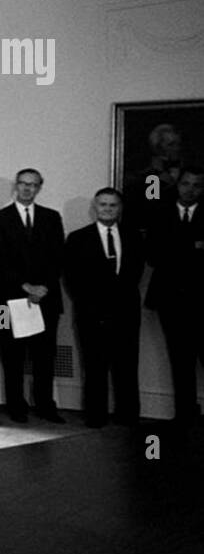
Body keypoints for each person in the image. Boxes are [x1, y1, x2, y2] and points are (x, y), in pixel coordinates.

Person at [0, 168, 66, 423]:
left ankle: (45, 405)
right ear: (15, 186)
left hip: (46, 298)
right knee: (11, 355)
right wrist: (25, 286)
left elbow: (58, 257)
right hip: (6, 301)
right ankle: (16, 406)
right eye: (23, 184)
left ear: (40, 187)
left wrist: (42, 287)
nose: (27, 189)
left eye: (33, 185)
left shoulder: (51, 217)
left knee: (44, 356)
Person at [63, 188, 145, 427]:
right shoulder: (78, 238)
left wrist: (117, 305)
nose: (108, 209)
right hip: (91, 315)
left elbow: (135, 274)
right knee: (95, 369)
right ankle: (95, 418)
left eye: (113, 205)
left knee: (127, 369)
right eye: (103, 205)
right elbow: (72, 279)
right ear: (95, 208)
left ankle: (128, 417)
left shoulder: (133, 236)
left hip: (126, 314)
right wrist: (95, 307)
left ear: (120, 209)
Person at [144, 167, 204, 427]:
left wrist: (176, 247)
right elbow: (153, 256)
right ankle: (185, 413)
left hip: (202, 299)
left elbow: (166, 251)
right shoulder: (161, 213)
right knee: (180, 359)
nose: (190, 189)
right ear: (177, 185)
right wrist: (193, 246)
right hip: (170, 298)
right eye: (186, 184)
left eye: (196, 185)